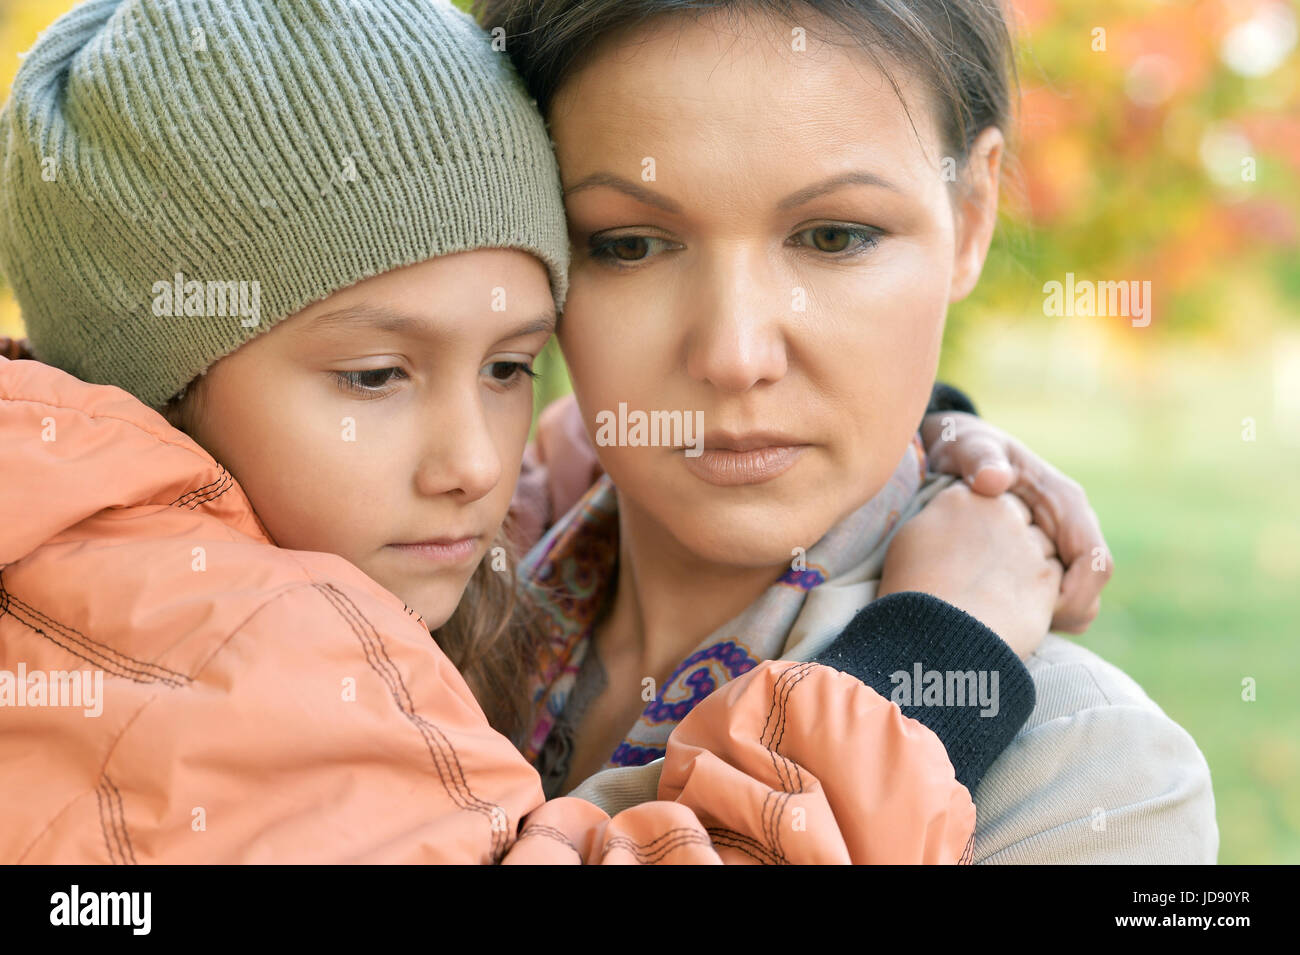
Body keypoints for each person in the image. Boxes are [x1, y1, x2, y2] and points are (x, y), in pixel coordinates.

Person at [0, 0, 1061, 864]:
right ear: (153, 384)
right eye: (629, 244)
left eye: (509, 364)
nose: (474, 466)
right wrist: (929, 660)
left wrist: (921, 441)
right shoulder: (252, 668)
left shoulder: (82, 536)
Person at [475, 0, 1219, 862]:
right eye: (631, 245)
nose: (734, 353)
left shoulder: (1088, 779)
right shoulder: (415, 588)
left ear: (971, 214)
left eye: (834, 236)